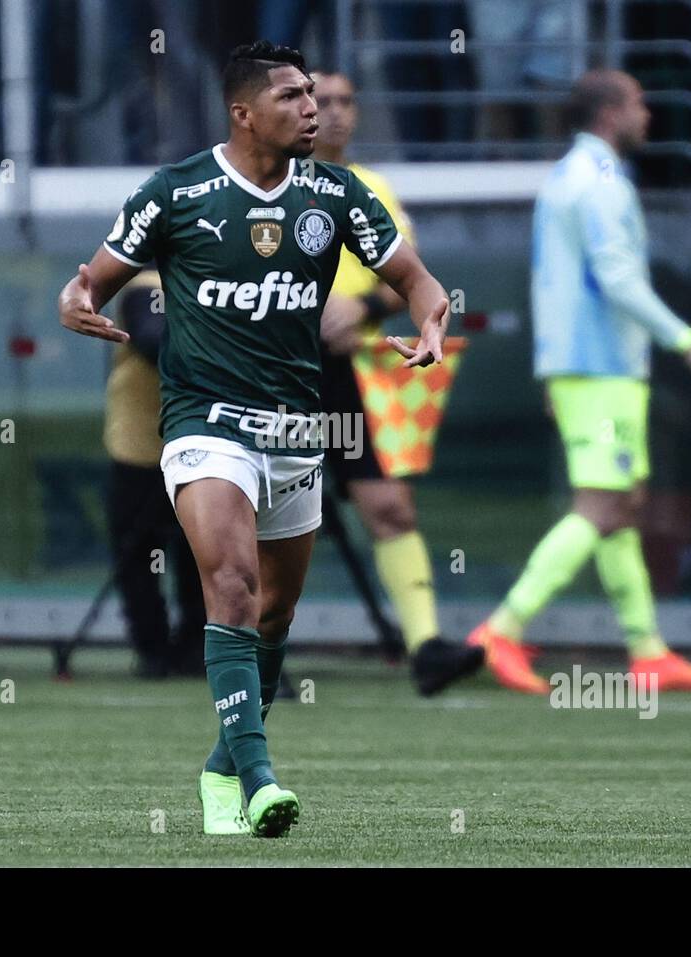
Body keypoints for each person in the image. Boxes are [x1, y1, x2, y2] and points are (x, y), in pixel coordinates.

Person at [58, 41, 452, 837]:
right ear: (244, 113)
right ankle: (262, 780)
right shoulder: (176, 192)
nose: (313, 108)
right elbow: (90, 278)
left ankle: (217, 769)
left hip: (295, 430)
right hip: (204, 424)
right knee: (231, 585)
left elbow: (414, 278)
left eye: (314, 94)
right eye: (293, 97)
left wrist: (433, 319)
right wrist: (74, 298)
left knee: (272, 614)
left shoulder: (334, 195)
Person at [466, 70, 691, 693]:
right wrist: (690, 344)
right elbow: (617, 279)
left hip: (587, 365)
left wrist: (553, 367)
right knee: (603, 505)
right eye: (640, 102)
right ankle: (501, 629)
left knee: (623, 506)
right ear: (611, 113)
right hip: (601, 367)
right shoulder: (600, 182)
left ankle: (646, 650)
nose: (649, 114)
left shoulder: (568, 177)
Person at [312, 69, 484, 695]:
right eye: (318, 100)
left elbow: (406, 278)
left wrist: (359, 309)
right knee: (250, 515)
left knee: (388, 505)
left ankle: (426, 647)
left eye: (344, 102)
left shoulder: (373, 187)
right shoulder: (263, 184)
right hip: (271, 369)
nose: (333, 113)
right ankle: (240, 657)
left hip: (346, 370)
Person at [103, 271, 206, 678]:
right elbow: (150, 336)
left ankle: (198, 644)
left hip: (203, 444)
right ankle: (152, 646)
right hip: (142, 446)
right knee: (139, 553)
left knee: (202, 549)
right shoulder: (146, 282)